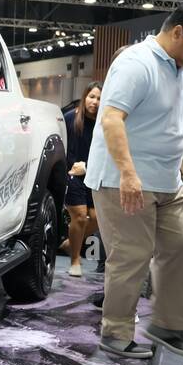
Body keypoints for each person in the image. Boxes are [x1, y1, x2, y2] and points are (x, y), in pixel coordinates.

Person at [85, 2, 183, 359]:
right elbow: (111, 119)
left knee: (182, 244)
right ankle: (115, 333)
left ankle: (167, 324)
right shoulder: (135, 63)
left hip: (167, 179)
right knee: (132, 256)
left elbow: (182, 128)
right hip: (123, 179)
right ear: (177, 32)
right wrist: (128, 173)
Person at [63, 82, 101, 277]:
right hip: (72, 174)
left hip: (93, 174)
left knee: (96, 218)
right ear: (85, 96)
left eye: (99, 98)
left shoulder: (104, 123)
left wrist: (87, 168)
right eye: (91, 96)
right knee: (79, 216)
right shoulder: (70, 118)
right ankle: (75, 260)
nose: (94, 102)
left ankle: (71, 243)